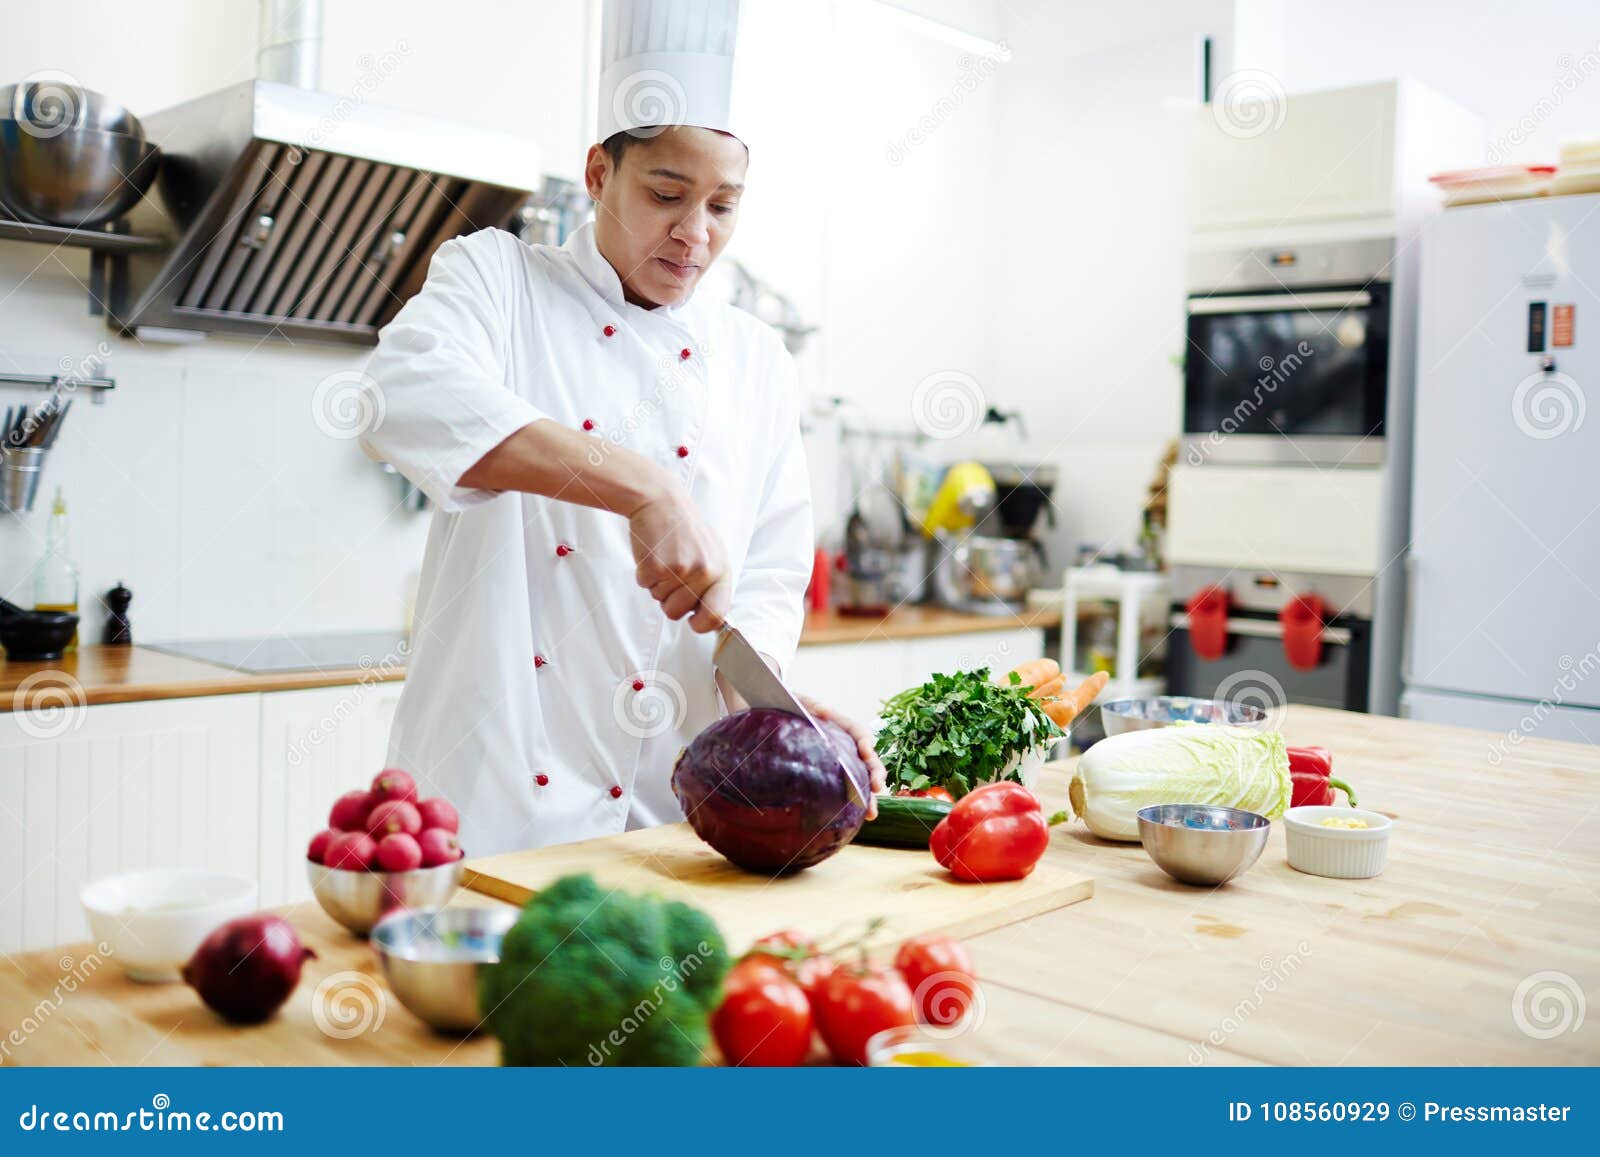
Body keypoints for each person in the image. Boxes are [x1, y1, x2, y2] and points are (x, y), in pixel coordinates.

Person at [360, 0, 885, 856]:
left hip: (674, 813)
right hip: (492, 802)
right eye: (667, 194)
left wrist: (771, 713)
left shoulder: (756, 357)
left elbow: (770, 573)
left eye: (724, 204)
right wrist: (646, 487)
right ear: (600, 172)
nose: (695, 234)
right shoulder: (499, 278)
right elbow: (403, 394)